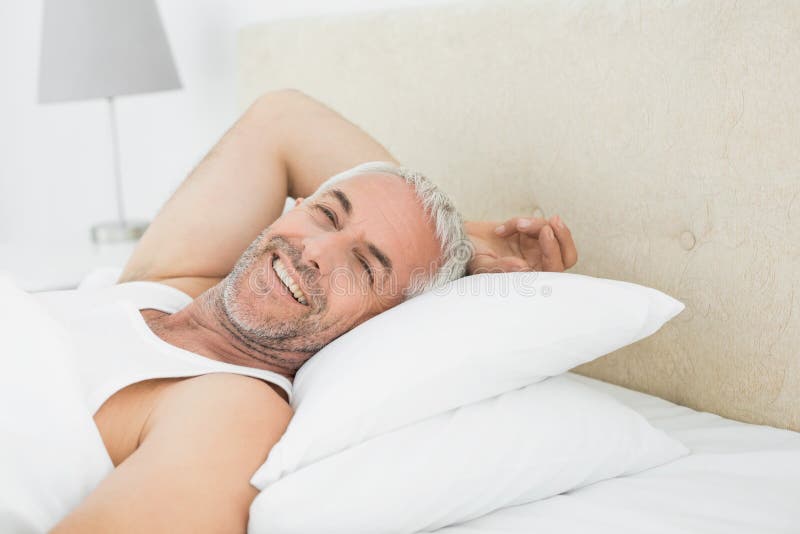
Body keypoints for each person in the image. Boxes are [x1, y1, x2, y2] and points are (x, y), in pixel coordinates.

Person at [48, 90, 578, 532]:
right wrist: (469, 234)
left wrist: (454, 262)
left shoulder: (230, 407)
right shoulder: (166, 285)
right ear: (297, 205)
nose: (316, 253)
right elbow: (281, 119)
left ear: (382, 325)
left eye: (366, 266)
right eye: (326, 215)